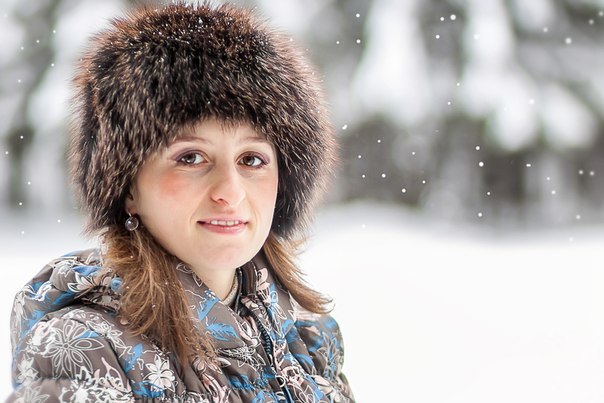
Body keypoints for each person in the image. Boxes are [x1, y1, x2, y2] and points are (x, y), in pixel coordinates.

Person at [8, 2, 354, 402]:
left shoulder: (310, 339)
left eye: (252, 160)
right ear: (128, 188)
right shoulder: (85, 348)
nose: (230, 191)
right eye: (191, 158)